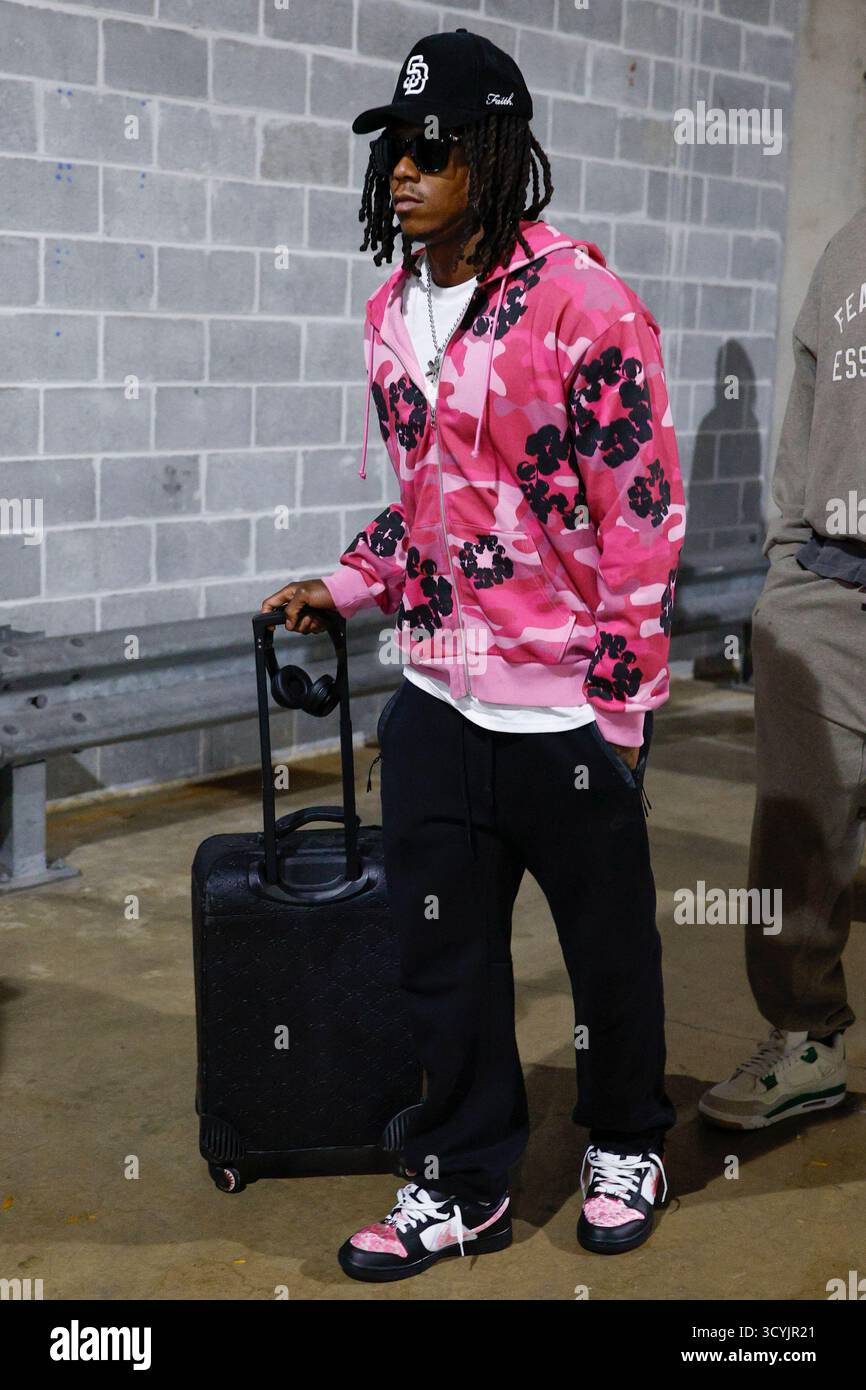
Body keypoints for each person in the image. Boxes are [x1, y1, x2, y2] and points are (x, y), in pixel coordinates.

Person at [262, 29, 685, 1279]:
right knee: (441, 958)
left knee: (608, 955)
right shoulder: (391, 311)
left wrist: (619, 710)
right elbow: (428, 502)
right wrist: (345, 584)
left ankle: (626, 1139)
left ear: (494, 154)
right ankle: (460, 1177)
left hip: (564, 711)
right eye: (391, 144)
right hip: (438, 698)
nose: (402, 168)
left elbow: (640, 518)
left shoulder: (579, 302)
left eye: (431, 146)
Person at [699, 209, 866, 1131]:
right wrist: (786, 572)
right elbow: (804, 427)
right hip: (830, 592)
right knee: (799, 835)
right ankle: (807, 1042)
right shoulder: (849, 250)